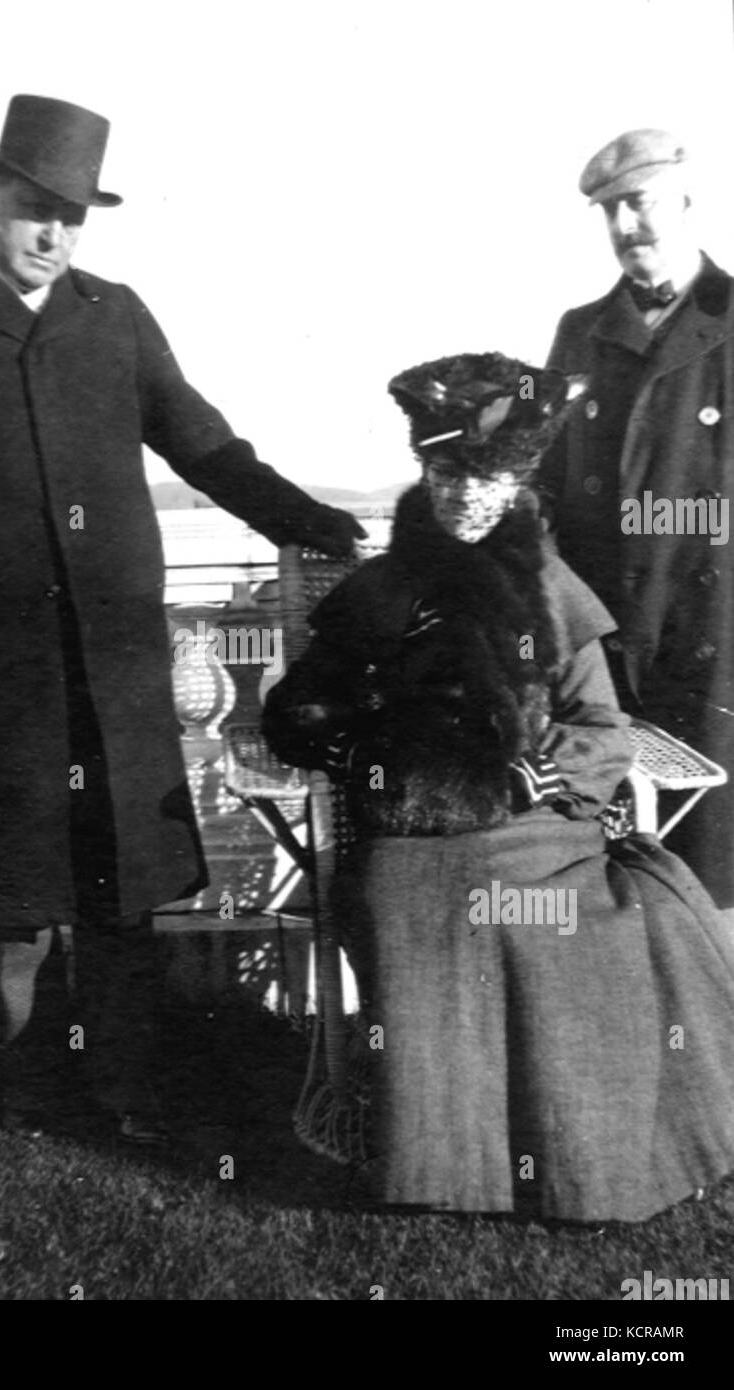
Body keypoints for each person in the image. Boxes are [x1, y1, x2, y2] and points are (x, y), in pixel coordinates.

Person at [0, 94, 364, 1141]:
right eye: (35, 209)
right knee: (11, 884)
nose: (54, 235)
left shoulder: (112, 315)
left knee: (122, 880)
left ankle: (129, 1086)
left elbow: (202, 446)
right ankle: (24, 1088)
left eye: (73, 216)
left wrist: (308, 522)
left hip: (113, 653)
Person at [262, 353, 734, 1222]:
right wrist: (381, 740)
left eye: (489, 477)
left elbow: (601, 729)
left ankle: (580, 1170)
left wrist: (537, 770)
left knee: (582, 941)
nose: (466, 496)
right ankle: (451, 1171)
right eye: (447, 472)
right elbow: (298, 715)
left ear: (520, 480)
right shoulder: (379, 590)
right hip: (411, 841)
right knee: (425, 917)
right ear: (423, 469)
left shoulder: (555, 593)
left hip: (539, 836)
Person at [540, 128, 734, 908]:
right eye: (609, 211)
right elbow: (543, 487)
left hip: (716, 633)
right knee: (615, 869)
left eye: (639, 204)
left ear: (686, 204)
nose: (625, 228)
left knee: (717, 866)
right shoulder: (578, 333)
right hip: (611, 637)